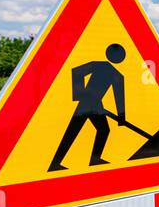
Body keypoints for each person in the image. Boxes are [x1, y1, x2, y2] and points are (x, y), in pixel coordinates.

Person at [48, 43, 126, 172]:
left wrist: (121, 116)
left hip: (94, 104)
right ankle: (58, 163)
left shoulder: (113, 72)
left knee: (83, 131)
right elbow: (76, 72)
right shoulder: (110, 71)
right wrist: (79, 94)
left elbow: (119, 96)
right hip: (89, 104)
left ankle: (91, 159)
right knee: (78, 131)